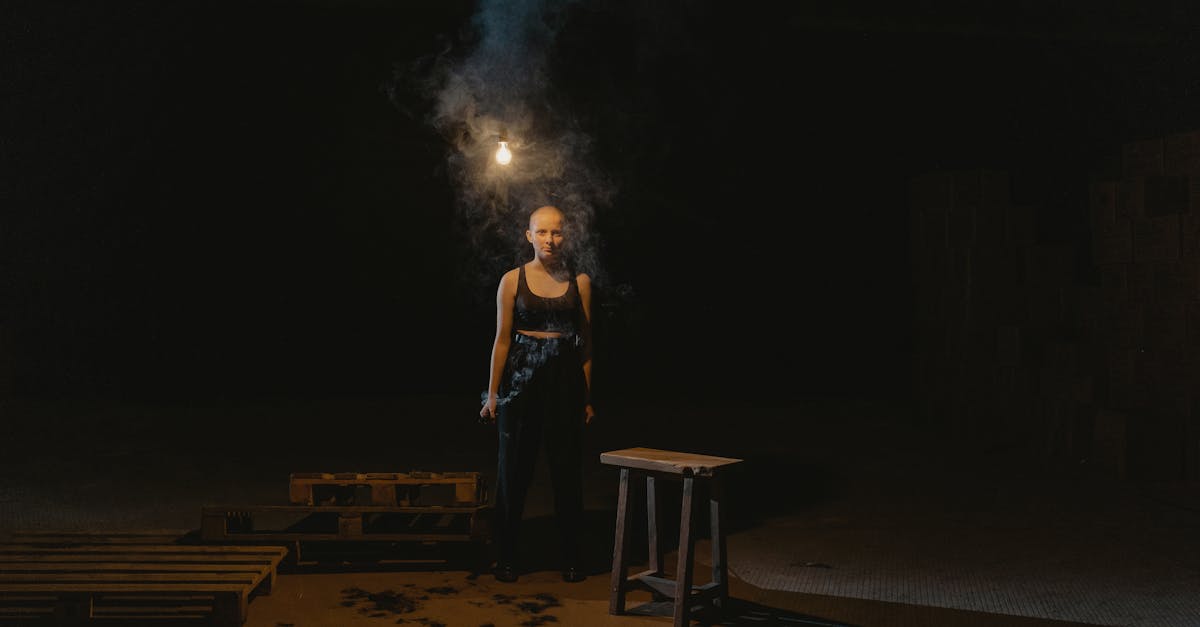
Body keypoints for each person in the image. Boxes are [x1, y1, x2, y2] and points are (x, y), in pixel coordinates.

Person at [479, 204, 595, 584]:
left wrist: (587, 398)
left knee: (566, 471)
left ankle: (574, 557)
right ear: (528, 235)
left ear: (567, 235)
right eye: (542, 232)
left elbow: (586, 345)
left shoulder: (581, 281)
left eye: (557, 232)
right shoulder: (512, 280)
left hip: (564, 377)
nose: (550, 239)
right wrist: (492, 395)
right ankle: (507, 556)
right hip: (521, 378)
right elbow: (500, 341)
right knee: (513, 469)